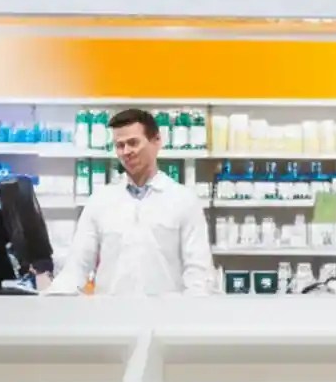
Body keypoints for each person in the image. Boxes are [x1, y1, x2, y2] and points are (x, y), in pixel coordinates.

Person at [48, 108, 213, 296]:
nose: (126, 152)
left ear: (156, 141)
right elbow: (77, 267)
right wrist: (51, 301)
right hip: (111, 319)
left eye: (133, 143)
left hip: (165, 319)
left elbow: (199, 274)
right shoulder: (101, 201)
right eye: (120, 145)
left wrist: (192, 317)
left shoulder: (184, 200)